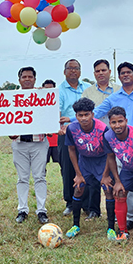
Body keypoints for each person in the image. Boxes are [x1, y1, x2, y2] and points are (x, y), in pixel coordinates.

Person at [63, 98, 112, 239]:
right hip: (85, 161)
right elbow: (71, 150)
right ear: (76, 116)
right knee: (79, 188)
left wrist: (106, 174)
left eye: (87, 114)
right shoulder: (72, 128)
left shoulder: (103, 128)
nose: (84, 118)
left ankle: (110, 228)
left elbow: (110, 153)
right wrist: (78, 173)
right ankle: (76, 225)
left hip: (102, 161)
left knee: (108, 189)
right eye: (80, 115)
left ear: (92, 114)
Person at [9, 67, 50, 224]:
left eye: (30, 77)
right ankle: (22, 209)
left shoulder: (43, 96)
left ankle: (41, 210)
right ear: (19, 80)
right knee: (22, 178)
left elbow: (49, 115)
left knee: (40, 177)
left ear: (35, 79)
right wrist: (9, 132)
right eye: (24, 77)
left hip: (39, 142)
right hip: (19, 143)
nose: (27, 79)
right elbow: (5, 118)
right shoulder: (11, 97)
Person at [103, 107, 133, 243]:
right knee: (119, 193)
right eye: (113, 122)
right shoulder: (108, 136)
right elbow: (111, 158)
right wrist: (117, 180)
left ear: (126, 120)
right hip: (128, 168)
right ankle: (122, 231)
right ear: (109, 123)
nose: (117, 125)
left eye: (120, 121)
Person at [58, 59, 91, 217]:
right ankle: (70, 202)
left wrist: (71, 119)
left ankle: (87, 203)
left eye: (76, 68)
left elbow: (93, 111)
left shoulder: (87, 88)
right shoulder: (59, 90)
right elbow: (57, 113)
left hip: (87, 133)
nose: (73, 71)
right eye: (69, 68)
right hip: (66, 133)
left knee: (86, 167)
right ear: (64, 71)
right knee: (68, 168)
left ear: (80, 71)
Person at [94, 62, 133, 129]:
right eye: (123, 73)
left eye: (129, 72)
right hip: (120, 137)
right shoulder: (113, 98)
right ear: (119, 77)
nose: (126, 75)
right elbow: (96, 113)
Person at [82, 59, 119, 124]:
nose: (100, 73)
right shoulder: (87, 93)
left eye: (103, 70)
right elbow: (83, 113)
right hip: (95, 131)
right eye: (97, 71)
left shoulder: (118, 90)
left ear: (109, 71)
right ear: (94, 74)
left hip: (116, 130)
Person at [42, 79, 60, 164]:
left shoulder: (59, 102)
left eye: (51, 89)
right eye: (46, 89)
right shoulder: (37, 104)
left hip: (57, 140)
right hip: (43, 140)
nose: (48, 91)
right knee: (41, 165)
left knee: (62, 164)